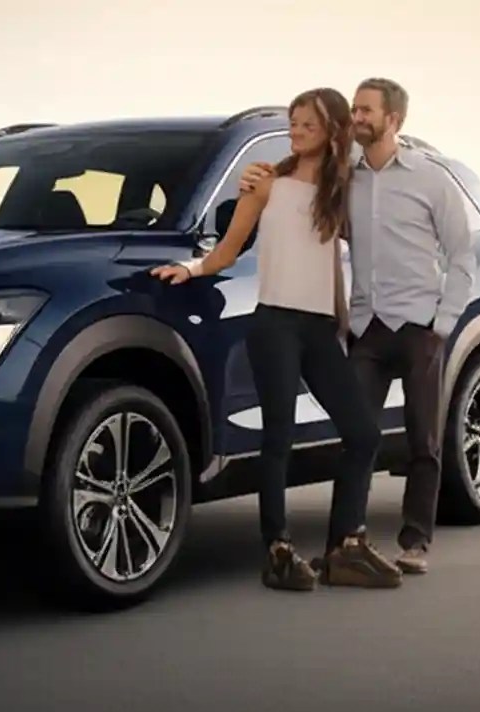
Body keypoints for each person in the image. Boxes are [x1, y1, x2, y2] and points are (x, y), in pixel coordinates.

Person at [151, 88, 402, 592]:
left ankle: (343, 548)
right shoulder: (266, 184)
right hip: (275, 326)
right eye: (293, 123)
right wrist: (191, 269)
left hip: (319, 328)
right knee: (279, 437)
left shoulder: (342, 189)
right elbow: (227, 251)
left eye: (308, 125)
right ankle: (278, 550)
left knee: (363, 433)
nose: (296, 132)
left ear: (331, 130)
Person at [240, 77, 476, 575]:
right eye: (355, 109)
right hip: (367, 325)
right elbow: (300, 195)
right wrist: (257, 178)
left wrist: (442, 323)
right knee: (359, 435)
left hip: (418, 323)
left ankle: (415, 541)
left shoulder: (431, 179)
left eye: (367, 110)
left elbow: (461, 255)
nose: (358, 117)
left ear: (394, 119)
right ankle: (342, 546)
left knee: (422, 440)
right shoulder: (344, 178)